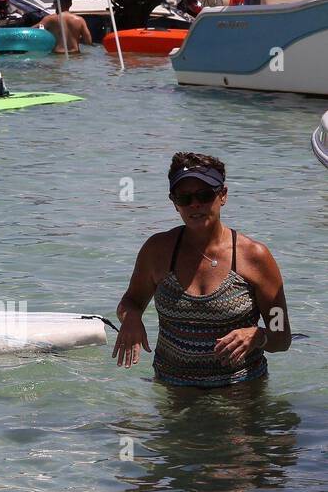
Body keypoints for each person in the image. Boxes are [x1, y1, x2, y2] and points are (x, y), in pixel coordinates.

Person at [113, 153, 291, 387]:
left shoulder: (254, 257)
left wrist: (258, 335)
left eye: (205, 195)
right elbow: (131, 301)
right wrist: (131, 318)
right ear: (174, 203)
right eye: (184, 198)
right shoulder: (157, 251)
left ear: (223, 195)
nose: (195, 204)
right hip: (173, 392)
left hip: (240, 396)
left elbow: (281, 335)